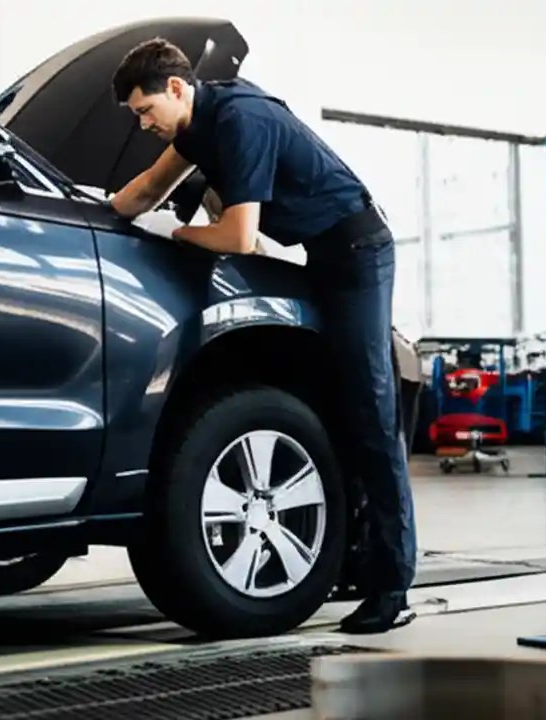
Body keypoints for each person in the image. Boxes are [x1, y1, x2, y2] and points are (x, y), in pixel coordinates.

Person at [108, 38, 418, 634]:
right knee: (336, 403)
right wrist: (100, 211)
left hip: (358, 251)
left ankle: (394, 585)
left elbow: (238, 237)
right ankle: (354, 557)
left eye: (145, 110)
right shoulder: (195, 129)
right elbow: (145, 189)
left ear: (176, 88)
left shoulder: (241, 121)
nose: (143, 123)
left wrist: (173, 234)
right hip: (321, 252)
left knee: (369, 407)